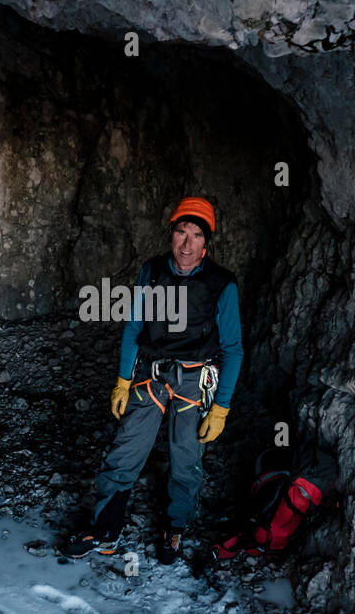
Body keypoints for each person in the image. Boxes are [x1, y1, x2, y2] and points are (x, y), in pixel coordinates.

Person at [62, 197, 243, 565]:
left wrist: (221, 407)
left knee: (186, 459)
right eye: (181, 233)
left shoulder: (221, 284)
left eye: (196, 236)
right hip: (154, 375)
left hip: (196, 380)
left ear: (206, 243)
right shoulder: (152, 271)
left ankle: (174, 528)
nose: (187, 244)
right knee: (125, 451)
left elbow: (233, 349)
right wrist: (123, 380)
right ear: (171, 234)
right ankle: (105, 532)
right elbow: (133, 326)